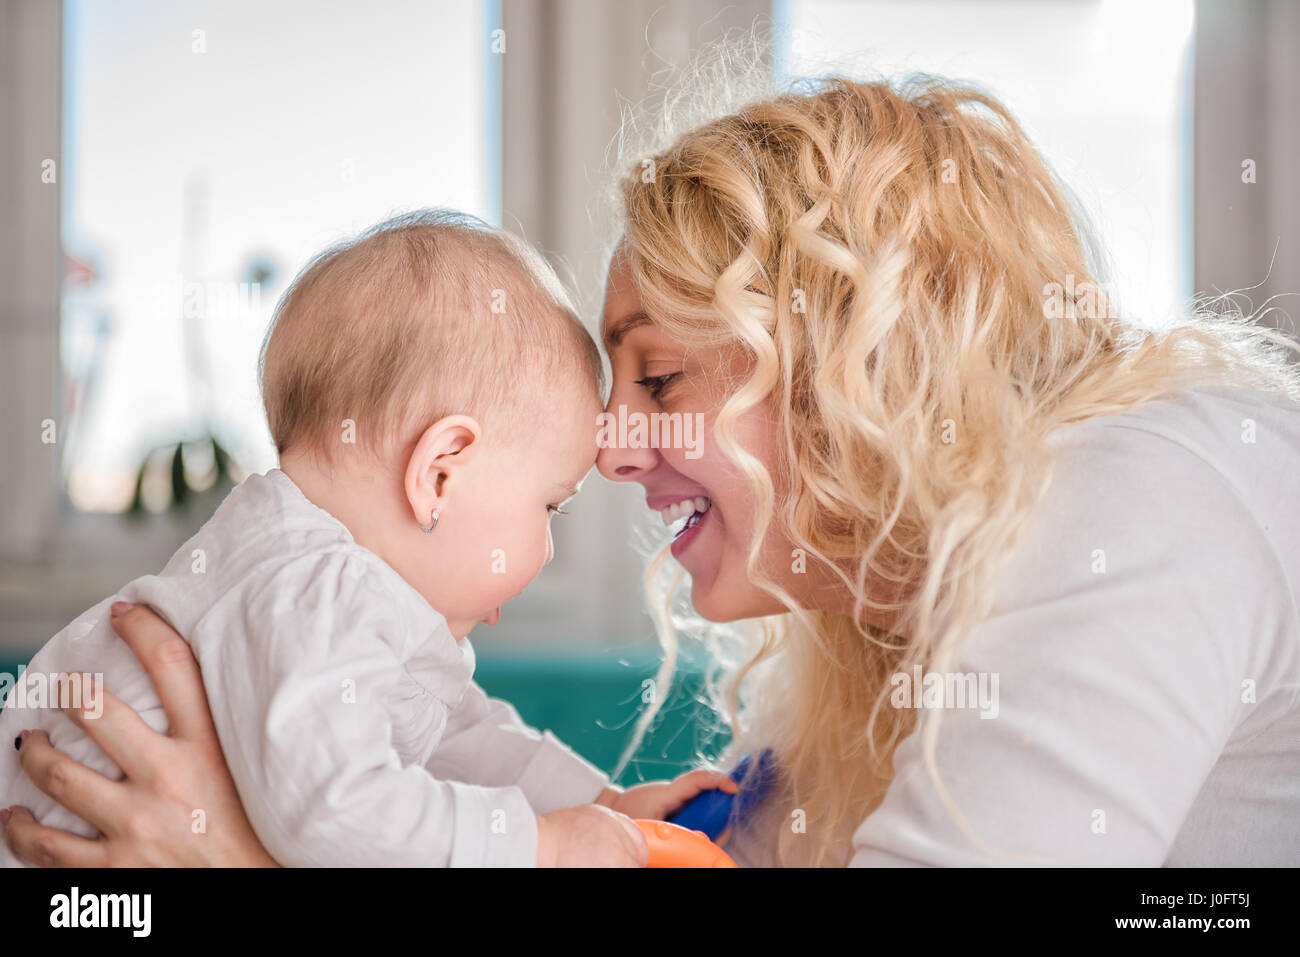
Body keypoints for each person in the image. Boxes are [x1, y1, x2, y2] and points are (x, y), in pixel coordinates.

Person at [6, 74, 1300, 867]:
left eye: (661, 380)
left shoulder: (1133, 496)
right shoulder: (891, 650)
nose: (612, 449)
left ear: (859, 363)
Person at [0, 209, 734, 868]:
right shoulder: (314, 586)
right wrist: (536, 847)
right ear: (439, 475)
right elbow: (335, 812)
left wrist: (604, 806)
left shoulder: (315, 580)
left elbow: (459, 739)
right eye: (550, 507)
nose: (544, 552)